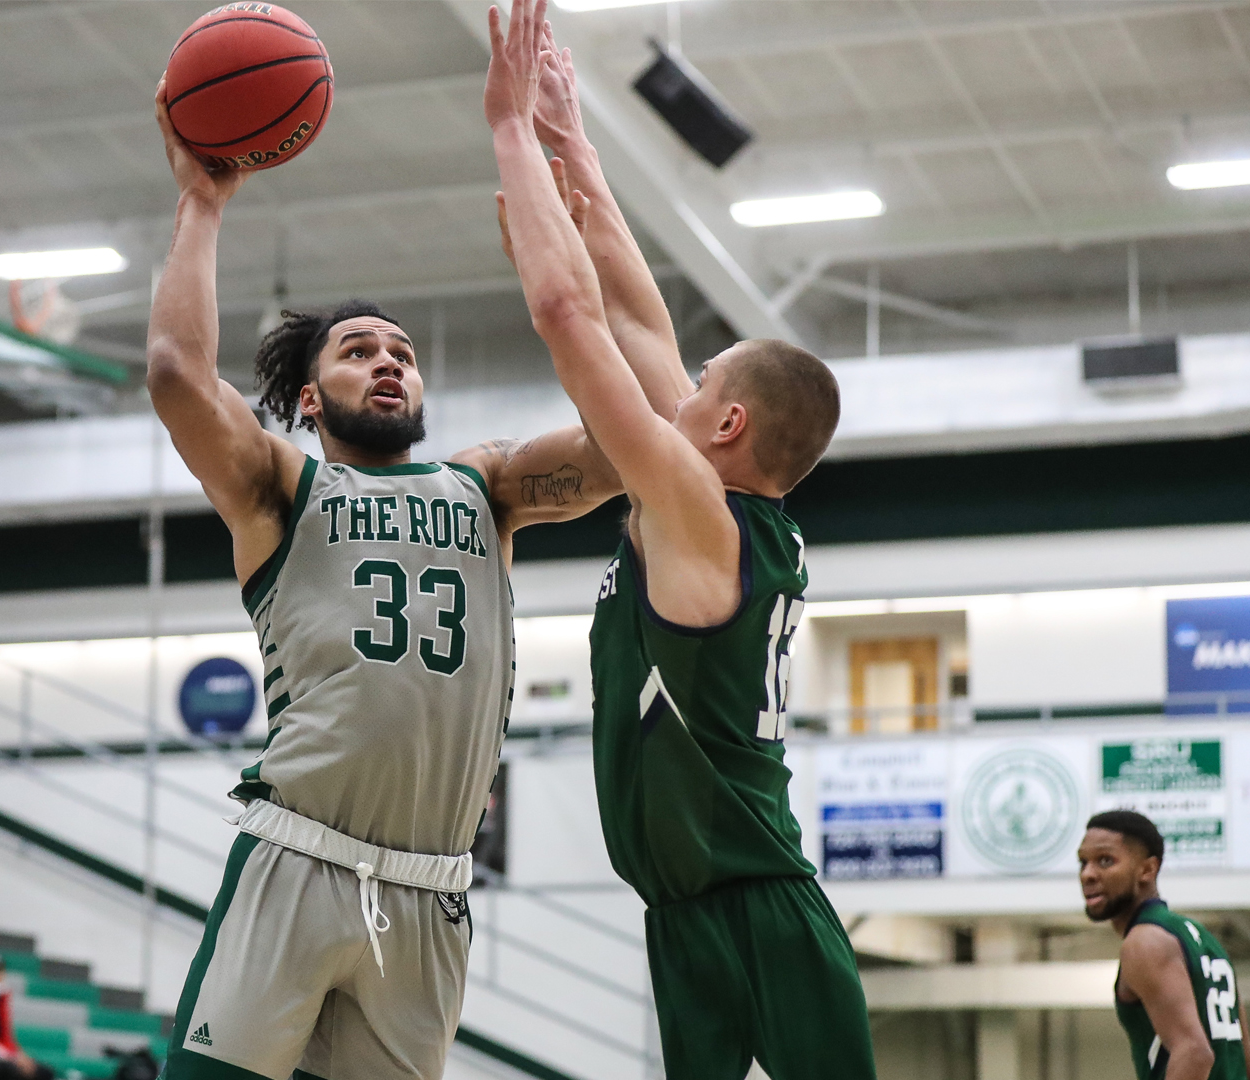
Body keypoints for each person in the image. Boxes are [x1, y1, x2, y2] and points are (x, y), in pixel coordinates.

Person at [146, 37, 627, 1077]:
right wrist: (203, 203)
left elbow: (631, 446)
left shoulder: (487, 485)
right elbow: (178, 374)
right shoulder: (285, 487)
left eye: (402, 353)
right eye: (359, 351)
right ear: (312, 397)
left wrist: (571, 210)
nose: (388, 363)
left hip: (430, 888)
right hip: (297, 858)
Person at [486, 8, 873, 1078]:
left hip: (756, 908)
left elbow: (574, 317)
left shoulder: (698, 512)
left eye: (705, 388)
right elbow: (641, 321)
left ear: (731, 425)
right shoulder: (719, 504)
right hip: (696, 904)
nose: (684, 385)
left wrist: (511, 130)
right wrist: (576, 143)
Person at [1079, 810, 1250, 1080]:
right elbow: (1247, 1069)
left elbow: (1195, 1052)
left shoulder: (1144, 940)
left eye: (1105, 861)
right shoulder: (1205, 938)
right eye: (1083, 862)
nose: (1087, 874)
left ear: (1147, 869)